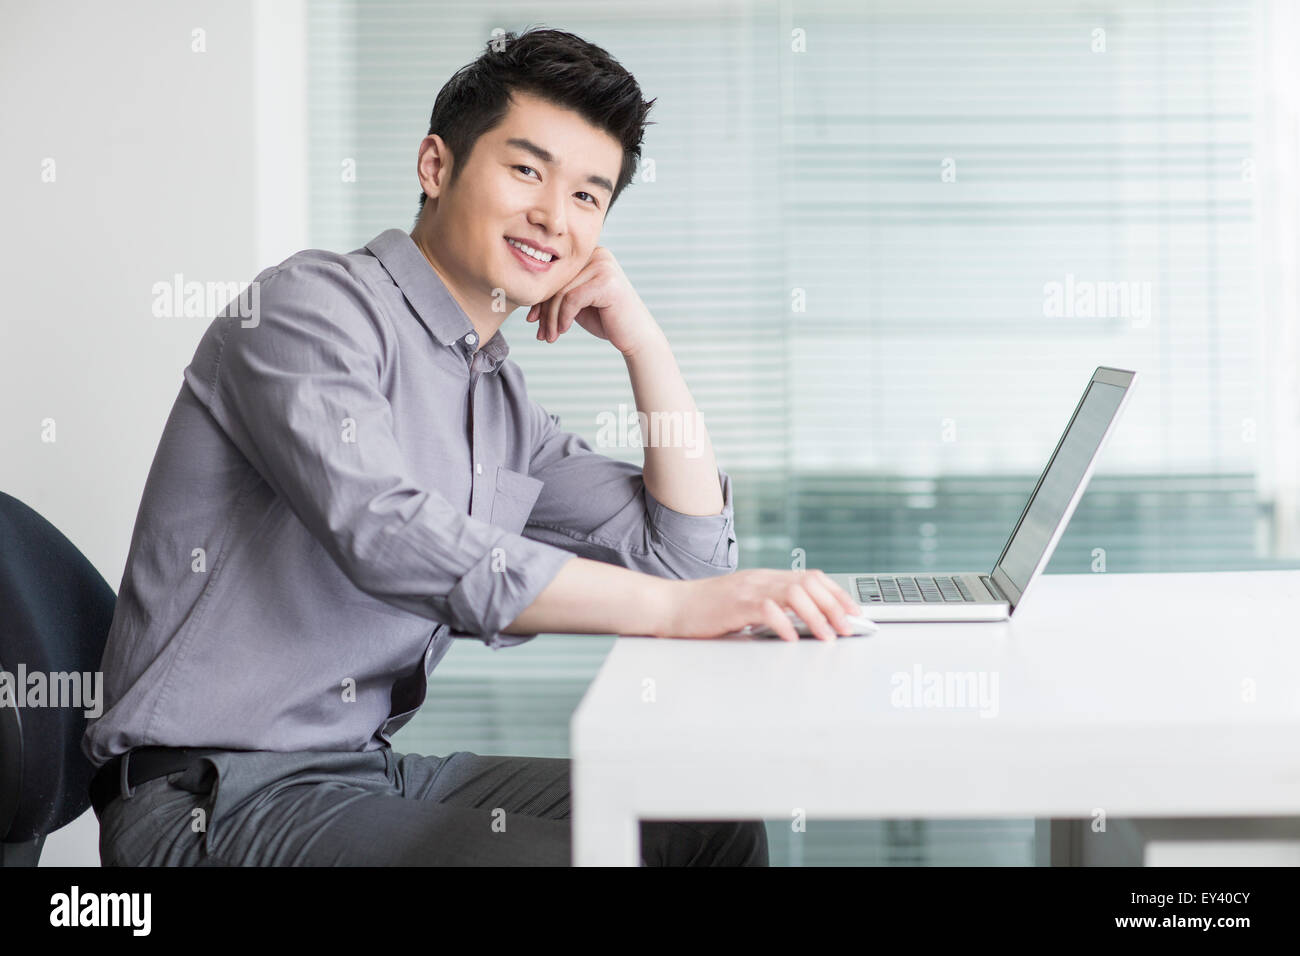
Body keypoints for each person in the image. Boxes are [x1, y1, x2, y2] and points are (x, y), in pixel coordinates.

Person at [85, 26, 859, 867]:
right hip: (208, 800)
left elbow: (687, 563)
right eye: (527, 170)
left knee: (699, 823)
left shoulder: (494, 399)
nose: (552, 217)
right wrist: (677, 613)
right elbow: (384, 532)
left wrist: (646, 344)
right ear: (436, 166)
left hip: (355, 775)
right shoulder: (307, 307)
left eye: (588, 197)